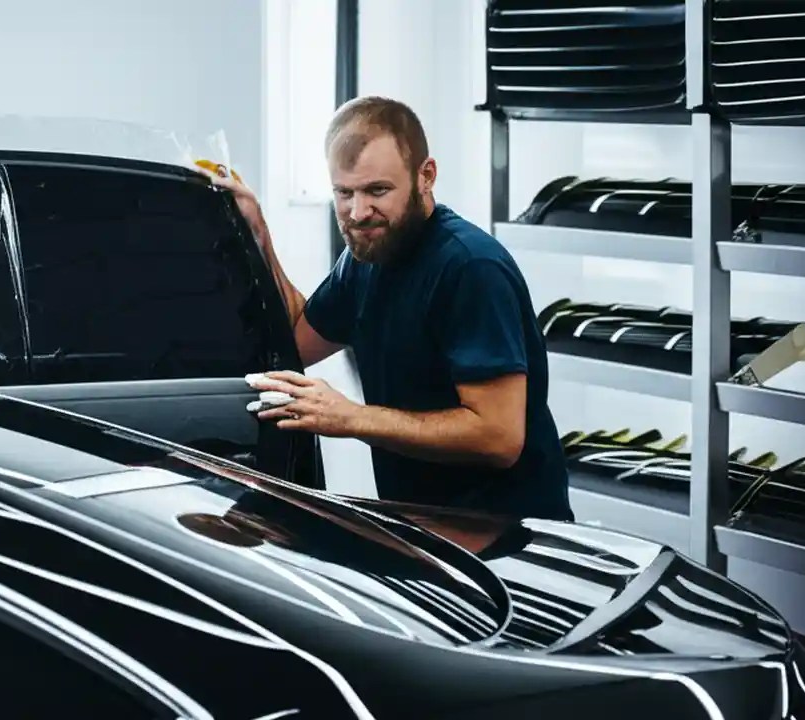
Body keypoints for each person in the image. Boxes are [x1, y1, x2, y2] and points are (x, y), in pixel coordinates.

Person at [201, 95, 572, 521]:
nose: (358, 212)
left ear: (425, 176)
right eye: (344, 193)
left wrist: (352, 418)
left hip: (511, 538)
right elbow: (295, 342)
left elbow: (499, 438)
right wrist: (258, 235)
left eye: (377, 190)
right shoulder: (365, 262)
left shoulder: (470, 267)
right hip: (422, 527)